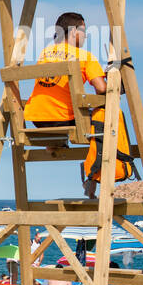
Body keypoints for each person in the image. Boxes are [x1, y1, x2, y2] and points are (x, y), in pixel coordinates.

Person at [20, 11, 108, 195]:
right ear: (75, 31)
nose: (85, 36)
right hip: (62, 119)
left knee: (70, 106)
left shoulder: (44, 53)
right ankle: (92, 178)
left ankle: (54, 143)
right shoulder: (85, 56)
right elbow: (101, 89)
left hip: (38, 119)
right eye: (84, 31)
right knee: (106, 120)